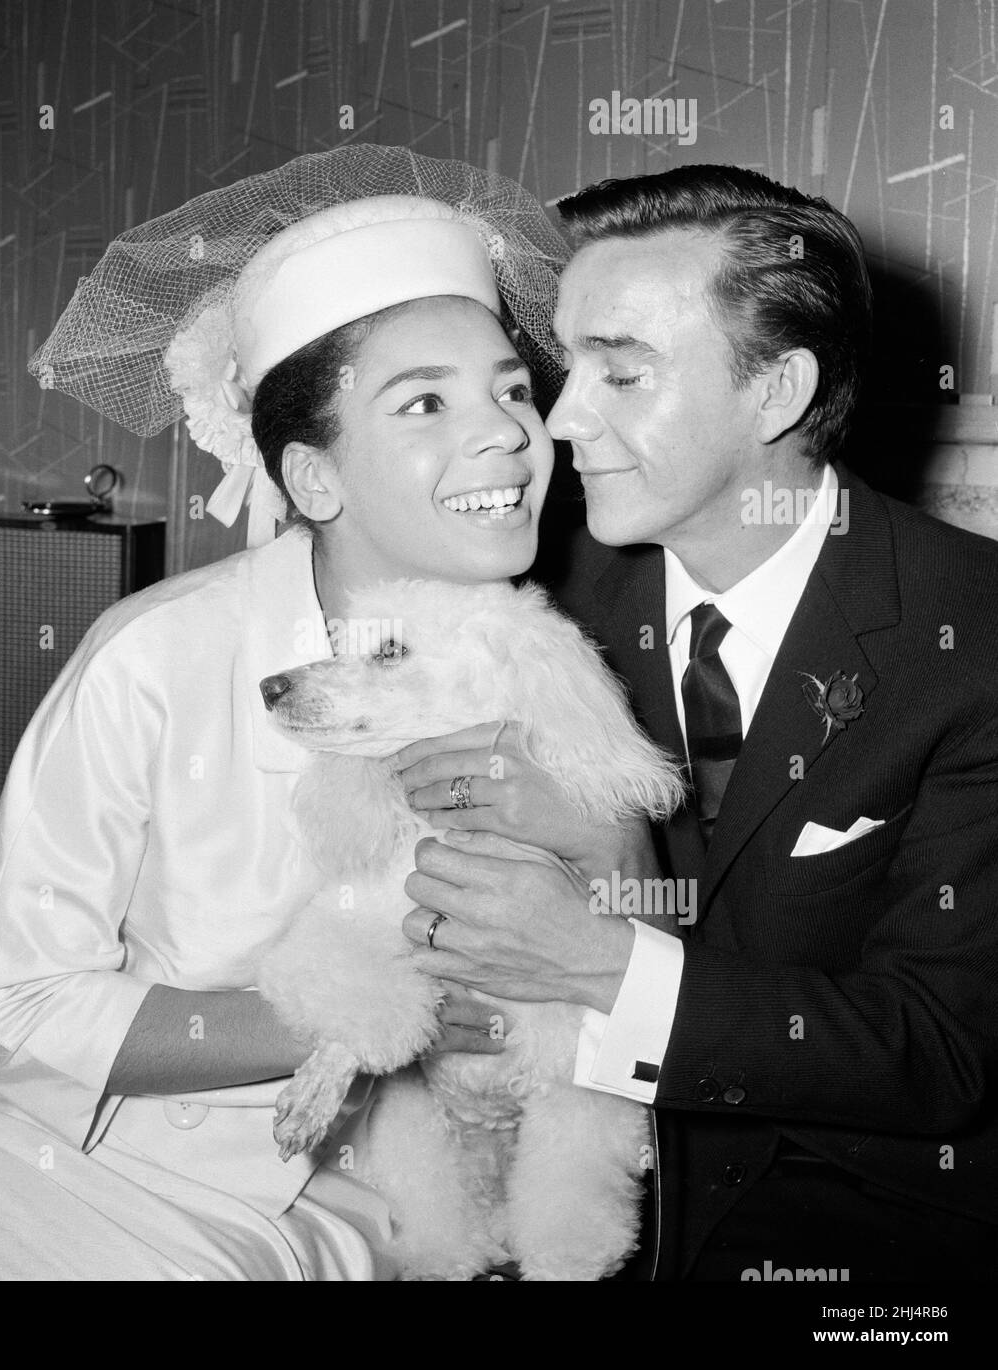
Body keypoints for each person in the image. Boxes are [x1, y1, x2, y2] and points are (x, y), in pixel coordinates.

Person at [0, 145, 572, 1281]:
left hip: (368, 1194)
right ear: (314, 478)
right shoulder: (155, 656)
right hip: (79, 1152)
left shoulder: (544, 670)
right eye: (425, 399)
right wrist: (380, 1015)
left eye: (513, 389)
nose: (509, 433)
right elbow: (19, 1009)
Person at [393, 164, 998, 1281]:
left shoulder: (972, 638)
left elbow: (938, 1048)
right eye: (562, 369)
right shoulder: (535, 591)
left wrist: (597, 962)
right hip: (564, 1159)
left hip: (864, 1205)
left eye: (621, 374)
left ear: (775, 392)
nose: (560, 422)